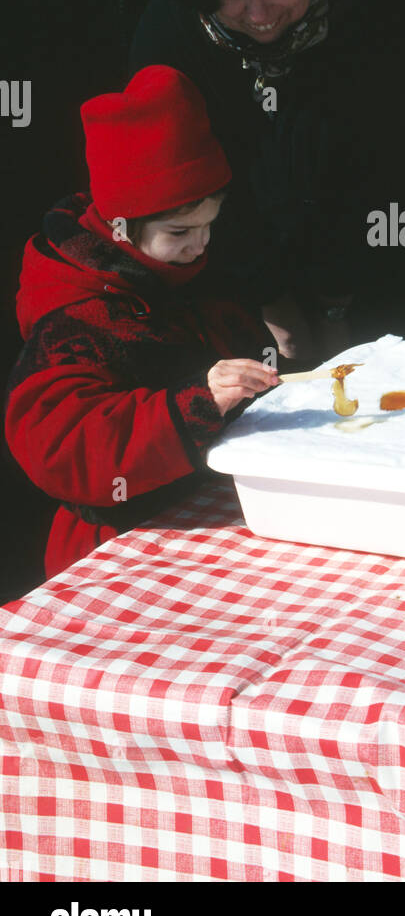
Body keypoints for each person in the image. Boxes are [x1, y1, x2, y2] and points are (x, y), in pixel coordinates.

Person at [130, 0, 405, 364]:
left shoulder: (378, 5)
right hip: (226, 279)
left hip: (377, 269)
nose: (258, 13)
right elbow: (172, 183)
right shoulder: (170, 30)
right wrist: (270, 300)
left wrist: (335, 306)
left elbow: (399, 163)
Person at [5, 67, 280, 578]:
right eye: (180, 231)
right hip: (117, 551)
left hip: (211, 526)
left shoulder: (182, 270)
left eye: (209, 227)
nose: (199, 245)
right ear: (122, 227)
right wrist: (194, 405)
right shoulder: (75, 317)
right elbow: (60, 446)